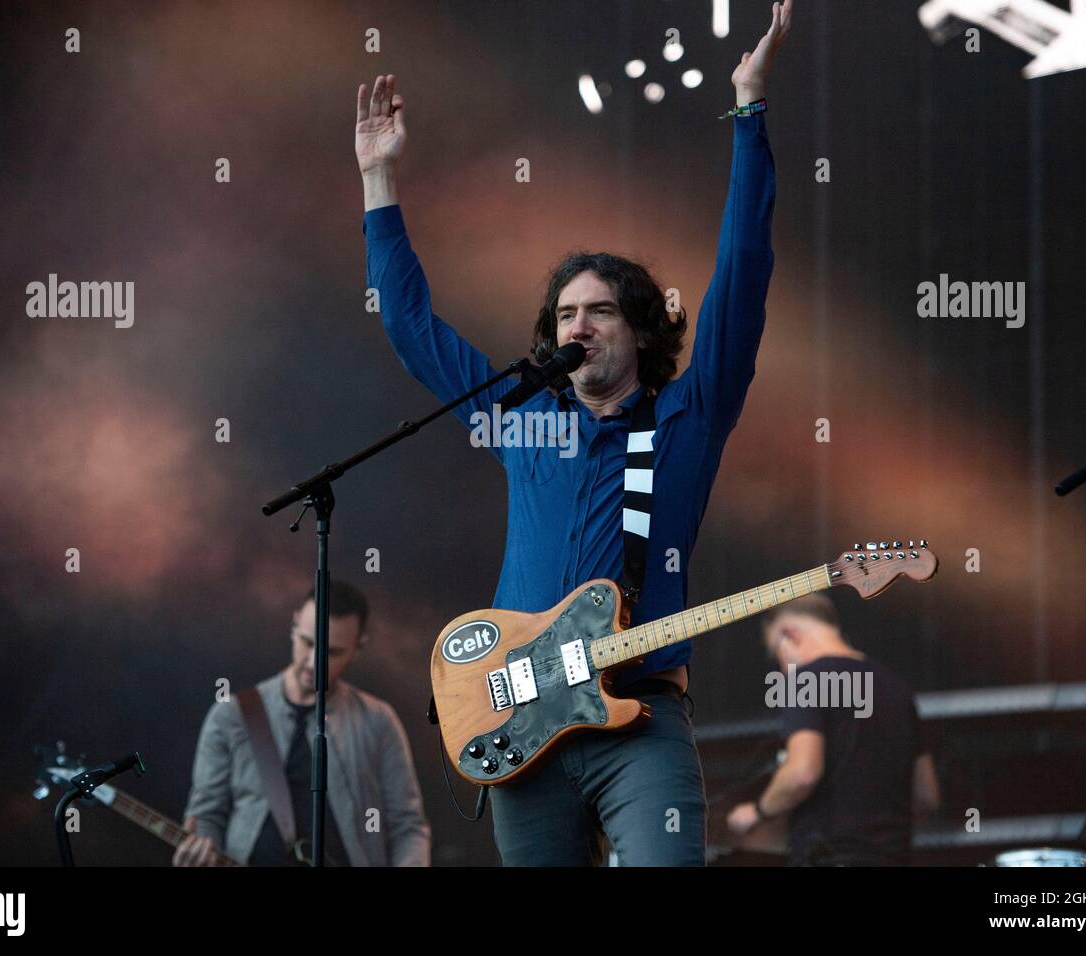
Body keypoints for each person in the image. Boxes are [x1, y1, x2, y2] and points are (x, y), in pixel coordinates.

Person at [356, 2, 793, 866]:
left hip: (643, 718)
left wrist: (748, 112)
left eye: (598, 311)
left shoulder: (685, 418)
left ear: (640, 330)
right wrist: (379, 182)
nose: (577, 326)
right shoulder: (524, 418)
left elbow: (742, 278)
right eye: (564, 314)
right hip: (523, 724)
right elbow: (411, 326)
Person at [174, 580, 431, 866]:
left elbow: (408, 827)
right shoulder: (231, 716)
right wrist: (200, 850)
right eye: (307, 643)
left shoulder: (379, 721)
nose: (313, 662)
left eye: (332, 652)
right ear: (295, 624)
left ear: (358, 648)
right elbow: (206, 816)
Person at [726, 593, 941, 865]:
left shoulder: (807, 679)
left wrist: (756, 813)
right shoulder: (898, 689)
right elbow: (926, 797)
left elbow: (802, 774)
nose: (780, 669)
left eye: (775, 653)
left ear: (790, 634)